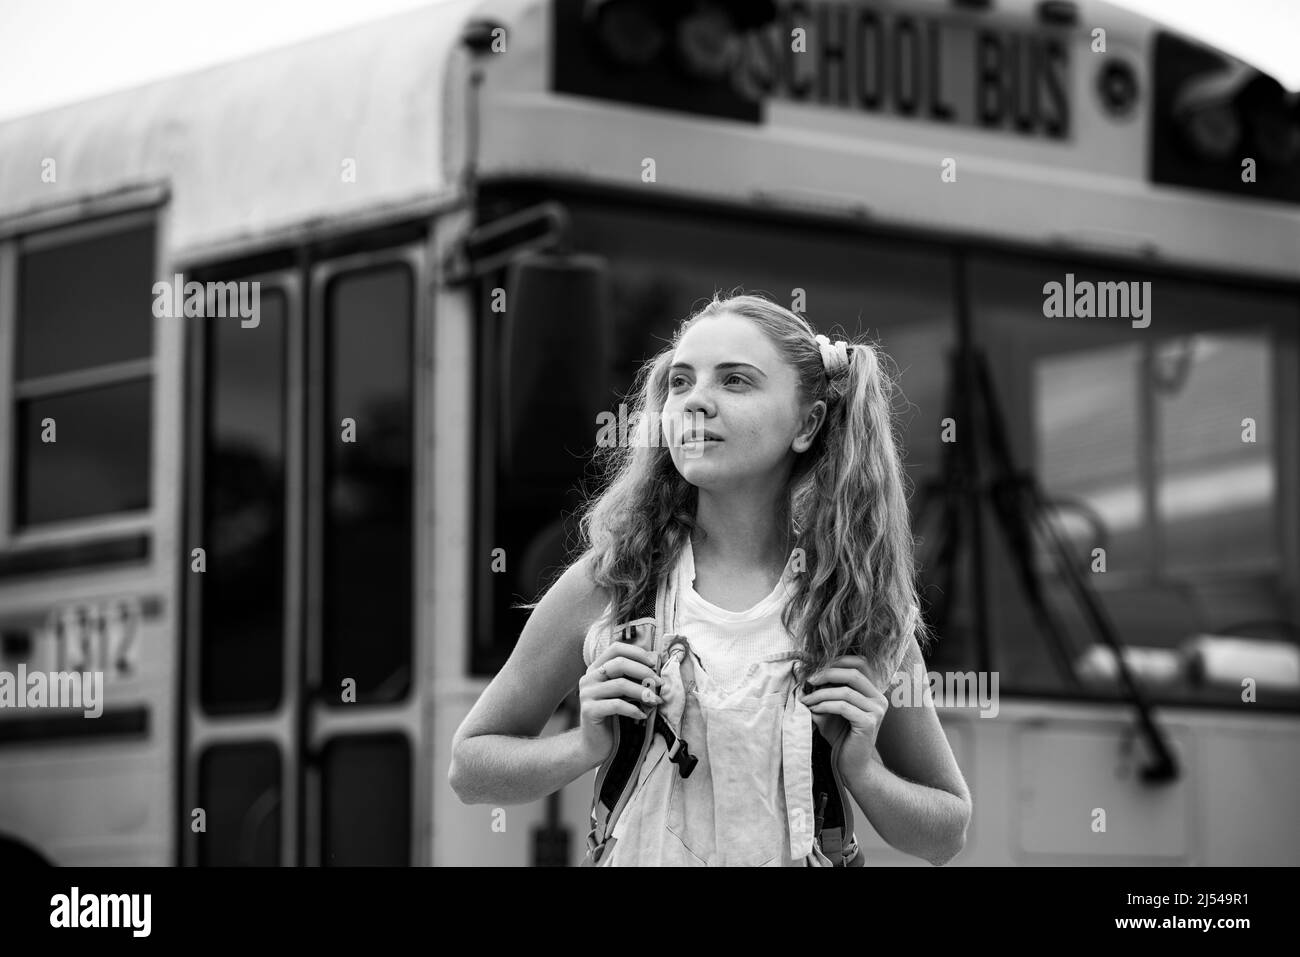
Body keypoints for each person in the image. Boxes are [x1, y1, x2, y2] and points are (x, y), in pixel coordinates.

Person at [449, 292, 971, 866]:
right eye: (679, 382)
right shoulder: (612, 582)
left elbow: (946, 834)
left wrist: (864, 770)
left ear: (808, 423)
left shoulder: (857, 606)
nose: (695, 402)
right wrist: (583, 745)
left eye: (736, 381)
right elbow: (470, 769)